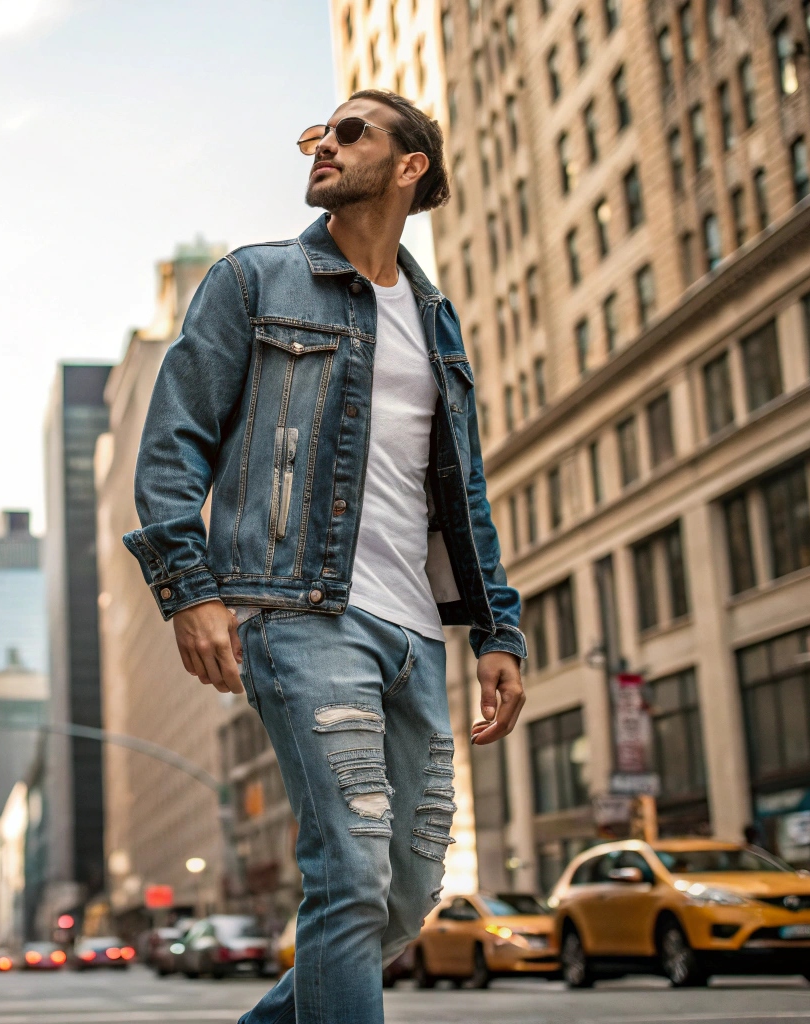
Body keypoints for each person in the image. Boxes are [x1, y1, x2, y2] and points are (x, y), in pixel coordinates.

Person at [127, 88, 525, 1023]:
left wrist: (497, 628)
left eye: (351, 133)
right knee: (348, 871)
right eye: (318, 134)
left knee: (402, 894)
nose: (323, 147)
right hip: (300, 612)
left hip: (417, 631)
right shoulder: (255, 281)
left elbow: (461, 489)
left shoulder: (437, 322)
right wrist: (190, 590)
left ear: (410, 165)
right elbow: (174, 439)